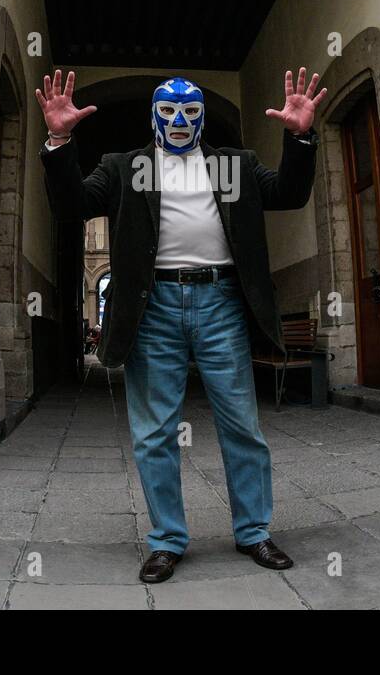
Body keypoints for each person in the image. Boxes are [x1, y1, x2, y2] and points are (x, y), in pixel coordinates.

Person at [36, 68, 326, 583]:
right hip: (153, 308)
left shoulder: (236, 166)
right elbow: (71, 206)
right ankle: (167, 540)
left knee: (242, 423)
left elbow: (288, 193)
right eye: (168, 112)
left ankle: (254, 531)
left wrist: (300, 138)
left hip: (221, 303)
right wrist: (60, 141)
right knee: (154, 433)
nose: (178, 121)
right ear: (154, 116)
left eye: (190, 112)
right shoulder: (124, 167)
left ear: (202, 118)